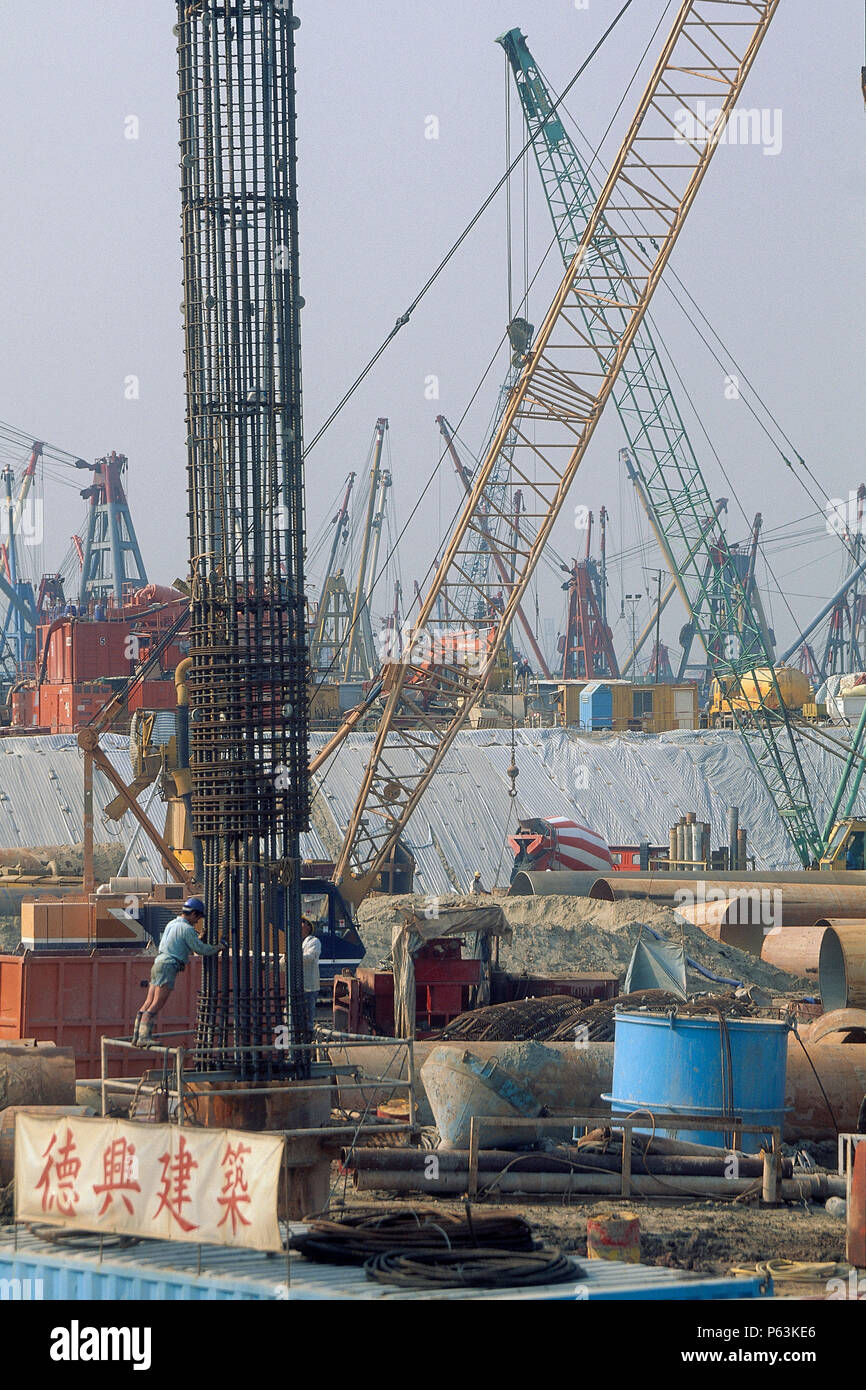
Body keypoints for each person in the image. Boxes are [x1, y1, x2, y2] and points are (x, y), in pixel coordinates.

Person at [133, 897, 226, 1046]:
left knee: (148, 1002)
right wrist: (218, 947)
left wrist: (198, 938)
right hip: (169, 966)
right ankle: (144, 1038)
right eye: (198, 917)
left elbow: (179, 943)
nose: (197, 921)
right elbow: (200, 949)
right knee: (157, 1003)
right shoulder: (187, 929)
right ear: (194, 913)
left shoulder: (172, 924)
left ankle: (137, 1035)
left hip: (158, 963)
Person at [301, 916, 322, 1033]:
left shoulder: (314, 942)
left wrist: (293, 956)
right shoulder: (299, 943)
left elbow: (309, 958)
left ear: (309, 927)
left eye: (303, 922)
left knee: (308, 1018)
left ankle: (308, 1040)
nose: (300, 924)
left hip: (309, 987)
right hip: (299, 986)